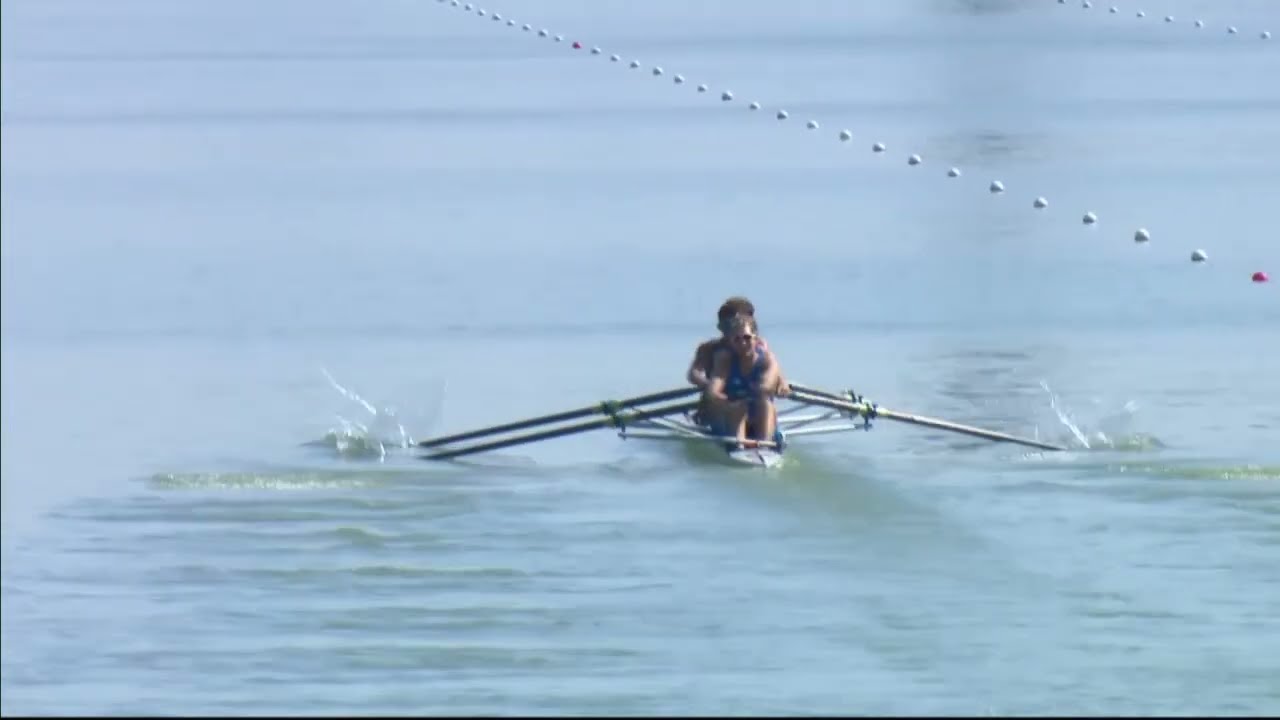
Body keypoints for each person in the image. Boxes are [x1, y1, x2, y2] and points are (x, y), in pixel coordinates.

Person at [704, 315, 784, 444]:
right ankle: (738, 444)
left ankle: (765, 443)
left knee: (766, 404)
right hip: (731, 414)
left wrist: (771, 386)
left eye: (747, 338)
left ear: (756, 338)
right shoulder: (725, 360)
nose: (742, 343)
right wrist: (724, 399)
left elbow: (766, 386)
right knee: (738, 407)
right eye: (737, 339)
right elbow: (713, 391)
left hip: (758, 413)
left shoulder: (767, 360)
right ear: (730, 342)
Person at [685, 296, 788, 395]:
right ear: (720, 327)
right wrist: (710, 386)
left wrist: (782, 382)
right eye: (729, 325)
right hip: (720, 404)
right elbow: (693, 374)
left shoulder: (758, 344)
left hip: (752, 399)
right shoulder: (708, 348)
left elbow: (772, 366)